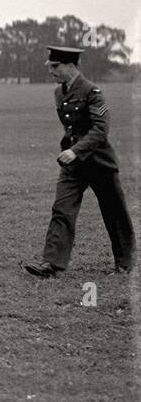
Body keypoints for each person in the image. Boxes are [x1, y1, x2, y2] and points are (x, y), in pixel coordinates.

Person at [24, 46, 135, 278]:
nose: (51, 71)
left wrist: (76, 150)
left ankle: (125, 263)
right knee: (62, 209)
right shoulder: (58, 93)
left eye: (55, 67)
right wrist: (69, 150)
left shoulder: (92, 92)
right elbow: (71, 127)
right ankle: (51, 264)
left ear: (70, 66)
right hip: (73, 165)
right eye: (50, 66)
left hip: (99, 162)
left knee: (114, 211)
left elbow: (101, 129)